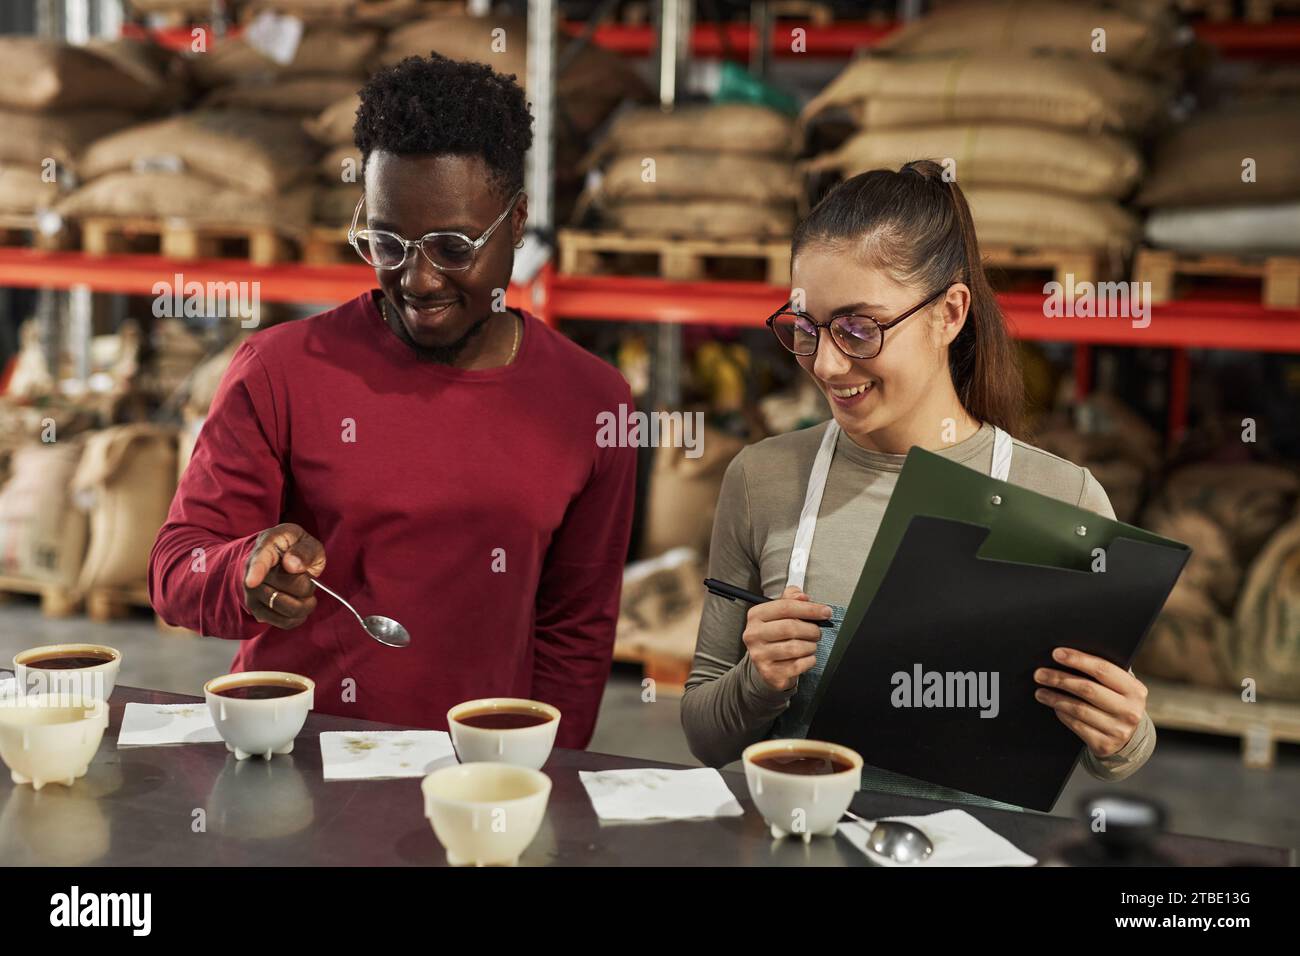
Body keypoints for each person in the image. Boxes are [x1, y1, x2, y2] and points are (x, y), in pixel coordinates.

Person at [149, 54, 636, 748]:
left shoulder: (591, 404)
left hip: (477, 774)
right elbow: (175, 569)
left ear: (518, 220)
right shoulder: (280, 370)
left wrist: (544, 778)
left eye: (453, 246)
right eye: (387, 242)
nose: (419, 280)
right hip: (296, 767)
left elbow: (575, 631)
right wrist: (243, 571)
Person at [680, 160, 1155, 808]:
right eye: (807, 328)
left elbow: (1121, 745)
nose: (825, 362)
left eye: (858, 328)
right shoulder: (764, 480)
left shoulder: (1060, 501)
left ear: (949, 313)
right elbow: (705, 737)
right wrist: (756, 683)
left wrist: (1121, 731)